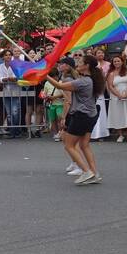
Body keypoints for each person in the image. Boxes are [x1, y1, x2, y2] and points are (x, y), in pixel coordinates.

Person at [46, 54, 104, 185]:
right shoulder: (91, 79)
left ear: (87, 65)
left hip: (82, 115)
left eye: (80, 62)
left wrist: (44, 75)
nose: (77, 64)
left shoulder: (83, 81)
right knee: (84, 145)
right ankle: (94, 173)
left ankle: (86, 171)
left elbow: (60, 86)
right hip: (91, 114)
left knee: (69, 145)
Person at [106, 55, 127, 143]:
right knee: (117, 114)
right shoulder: (111, 73)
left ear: (122, 61)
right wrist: (119, 95)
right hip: (116, 97)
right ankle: (120, 135)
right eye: (114, 61)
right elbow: (110, 86)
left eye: (118, 61)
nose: (116, 63)